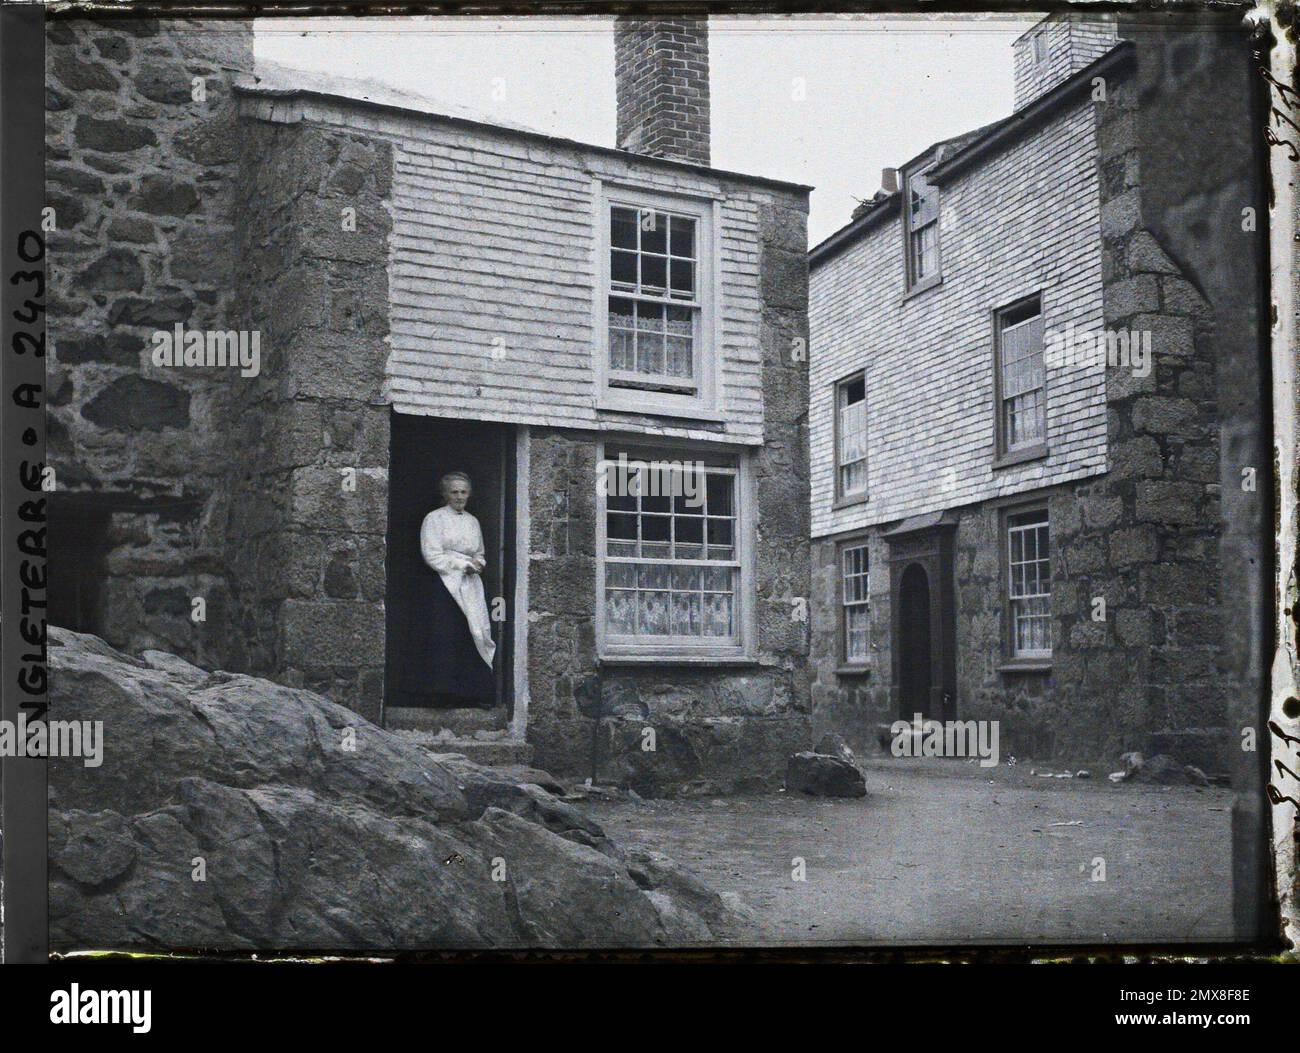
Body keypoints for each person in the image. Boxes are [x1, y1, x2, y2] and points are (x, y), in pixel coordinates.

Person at [419, 471, 496, 707]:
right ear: (445, 494)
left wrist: (478, 564)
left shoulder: (473, 521)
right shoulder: (434, 519)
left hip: (470, 584)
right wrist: (462, 565)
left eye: (463, 492)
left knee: (474, 632)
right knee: (446, 636)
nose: (459, 496)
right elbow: (431, 554)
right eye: (454, 492)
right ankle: (443, 694)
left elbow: (479, 553)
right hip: (444, 583)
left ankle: (473, 694)